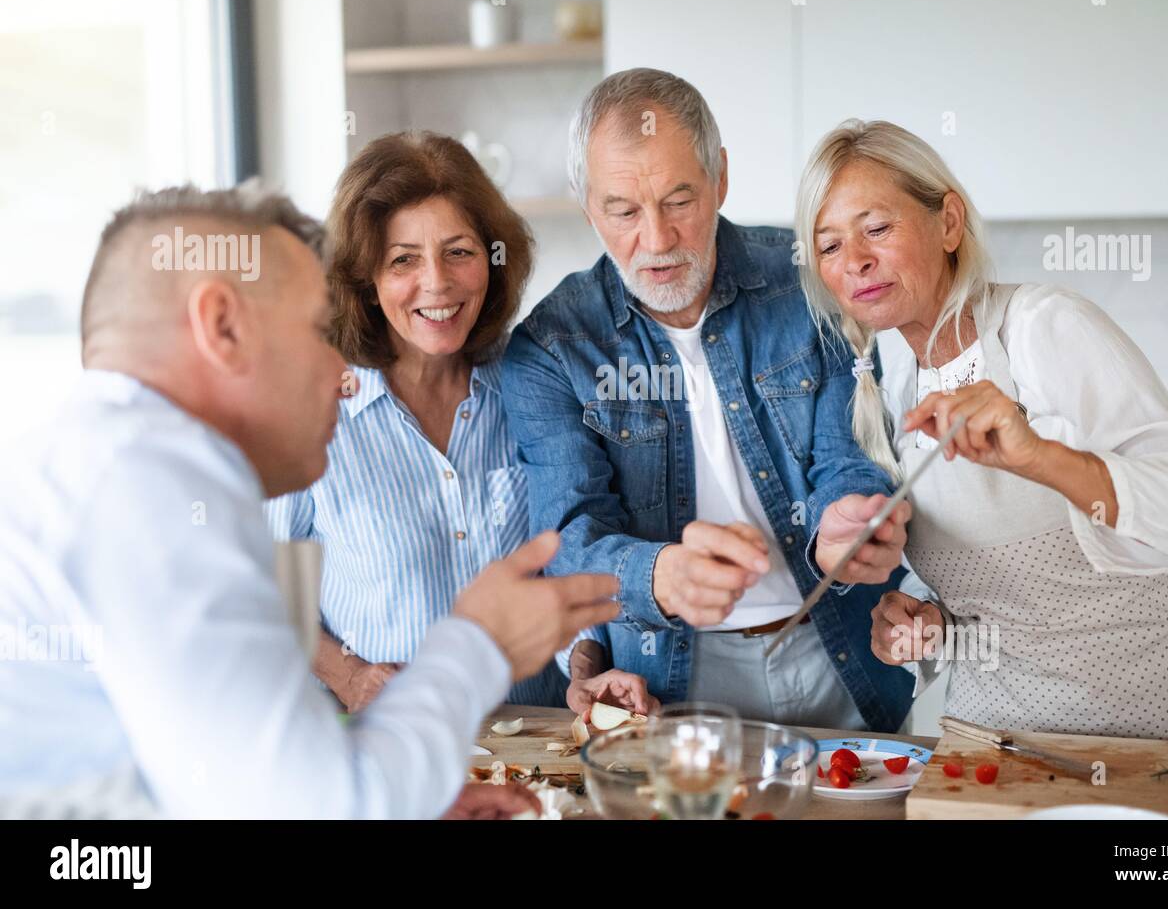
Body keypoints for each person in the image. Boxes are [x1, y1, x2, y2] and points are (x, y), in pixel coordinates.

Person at [0, 184, 618, 817]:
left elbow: (234, 790)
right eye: (318, 331)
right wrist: (479, 643)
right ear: (221, 328)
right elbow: (319, 804)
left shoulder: (109, 465)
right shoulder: (147, 491)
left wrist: (402, 798)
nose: (339, 372)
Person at [797, 118, 1168, 740]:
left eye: (877, 228)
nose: (855, 262)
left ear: (948, 223)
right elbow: (1006, 606)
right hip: (1002, 748)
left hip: (1159, 734)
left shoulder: (1044, 328)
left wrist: (1040, 456)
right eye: (829, 246)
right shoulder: (892, 383)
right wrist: (931, 627)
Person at [501, 69, 926, 732]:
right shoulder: (551, 348)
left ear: (719, 177)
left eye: (679, 201)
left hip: (835, 650)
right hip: (669, 674)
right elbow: (568, 537)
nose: (658, 239)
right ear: (589, 208)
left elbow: (853, 449)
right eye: (623, 211)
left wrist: (842, 524)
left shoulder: (810, 282)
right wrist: (660, 573)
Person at [265, 131, 566, 712]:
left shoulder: (535, 384)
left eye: (459, 251)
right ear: (366, 282)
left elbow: (578, 547)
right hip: (387, 749)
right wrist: (350, 677)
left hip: (539, 751)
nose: (438, 282)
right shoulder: (314, 408)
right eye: (403, 259)